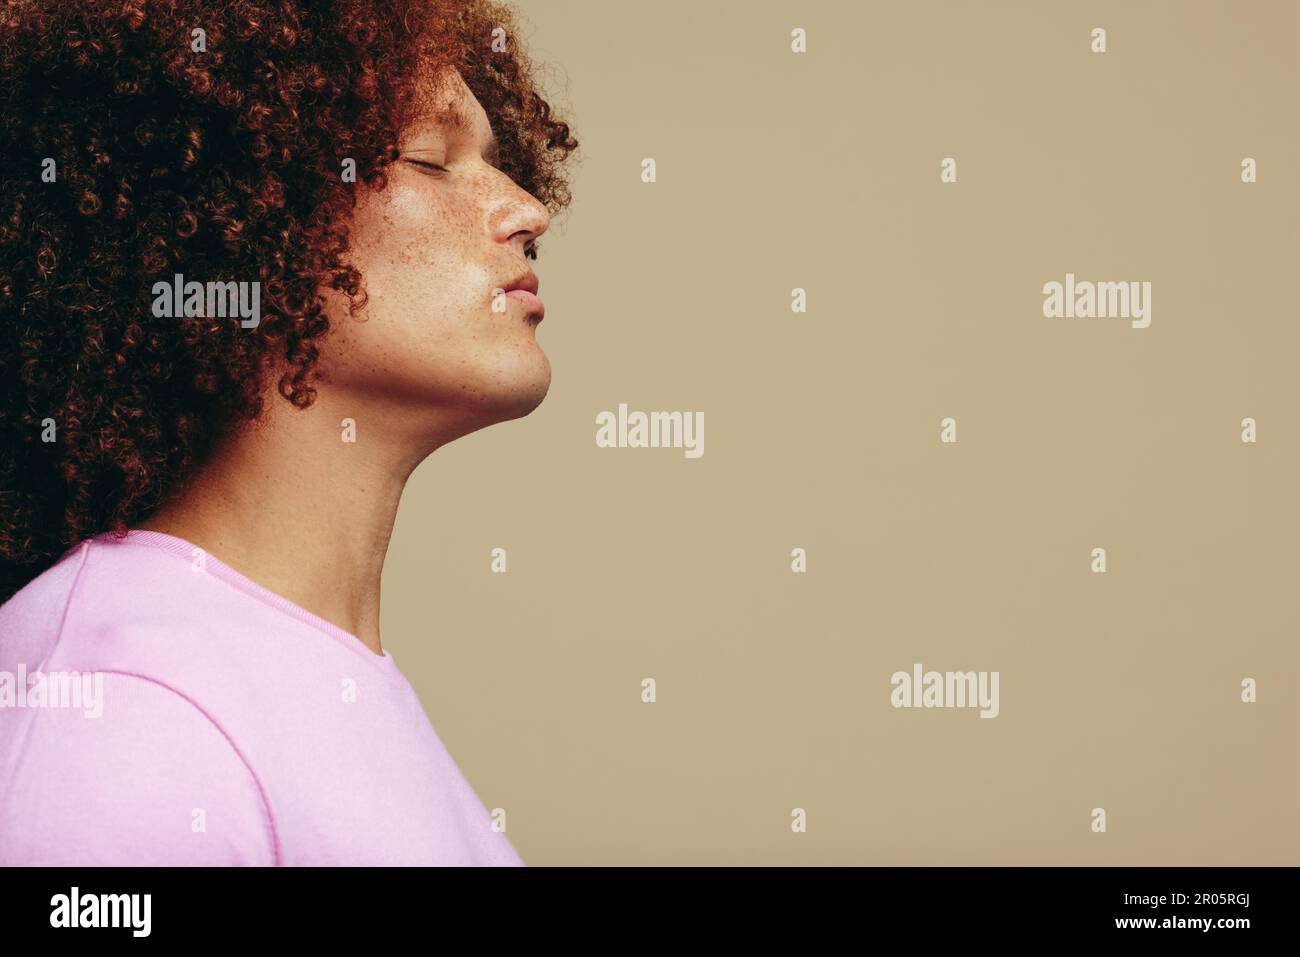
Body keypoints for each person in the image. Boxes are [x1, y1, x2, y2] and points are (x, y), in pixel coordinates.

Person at [0, 0, 578, 865]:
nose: (528, 208)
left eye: (499, 165)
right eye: (431, 159)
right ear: (244, 210)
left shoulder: (318, 680)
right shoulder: (129, 710)